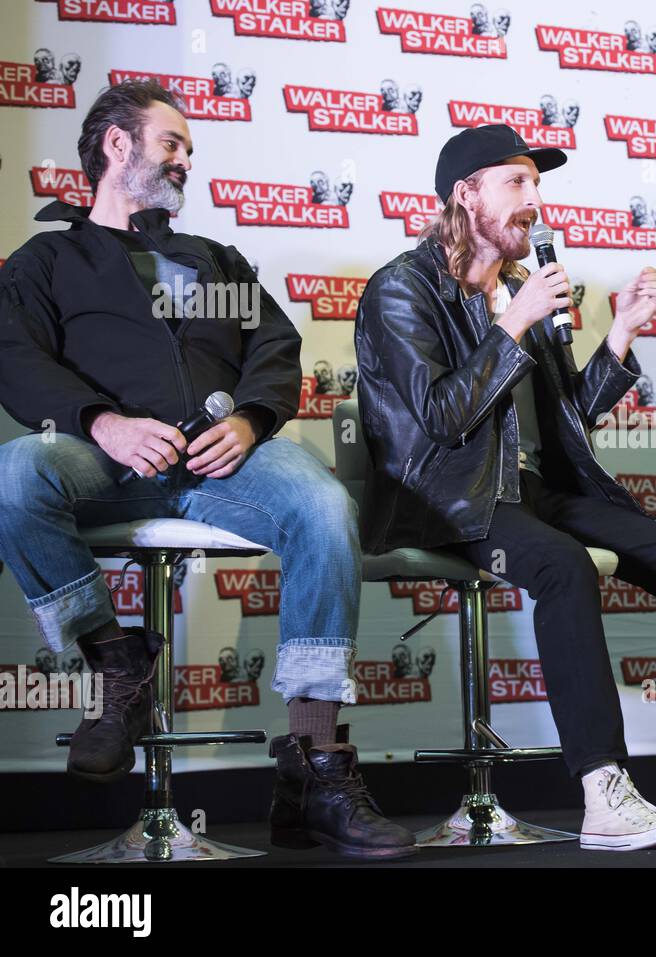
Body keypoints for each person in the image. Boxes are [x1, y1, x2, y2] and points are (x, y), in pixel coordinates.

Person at [0, 80, 414, 858]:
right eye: (172, 143)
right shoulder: (47, 258)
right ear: (117, 146)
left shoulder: (213, 257)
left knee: (324, 506)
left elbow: (273, 347)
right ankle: (118, 665)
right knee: (15, 474)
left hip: (224, 462)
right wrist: (106, 424)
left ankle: (315, 766)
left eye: (189, 147)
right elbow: (14, 359)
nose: (186, 158)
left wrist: (250, 420)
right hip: (100, 456)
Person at [354, 124, 656, 851]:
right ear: (466, 195)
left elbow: (567, 421)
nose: (535, 200)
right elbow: (437, 420)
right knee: (563, 565)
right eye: (517, 183)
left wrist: (617, 336)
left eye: (537, 184)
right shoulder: (402, 288)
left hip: (532, 489)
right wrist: (513, 328)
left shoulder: (522, 287)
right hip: (445, 497)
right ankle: (603, 789)